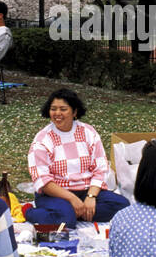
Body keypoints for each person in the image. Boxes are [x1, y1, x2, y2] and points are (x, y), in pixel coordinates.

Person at [26, 88, 130, 227]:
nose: (57, 114)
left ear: (74, 112)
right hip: (55, 195)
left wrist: (91, 197)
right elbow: (43, 181)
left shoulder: (88, 132)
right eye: (53, 109)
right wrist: (72, 199)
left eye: (63, 109)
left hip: (86, 191)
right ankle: (28, 211)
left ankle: (75, 213)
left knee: (123, 205)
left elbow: (100, 169)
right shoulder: (42, 139)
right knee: (66, 218)